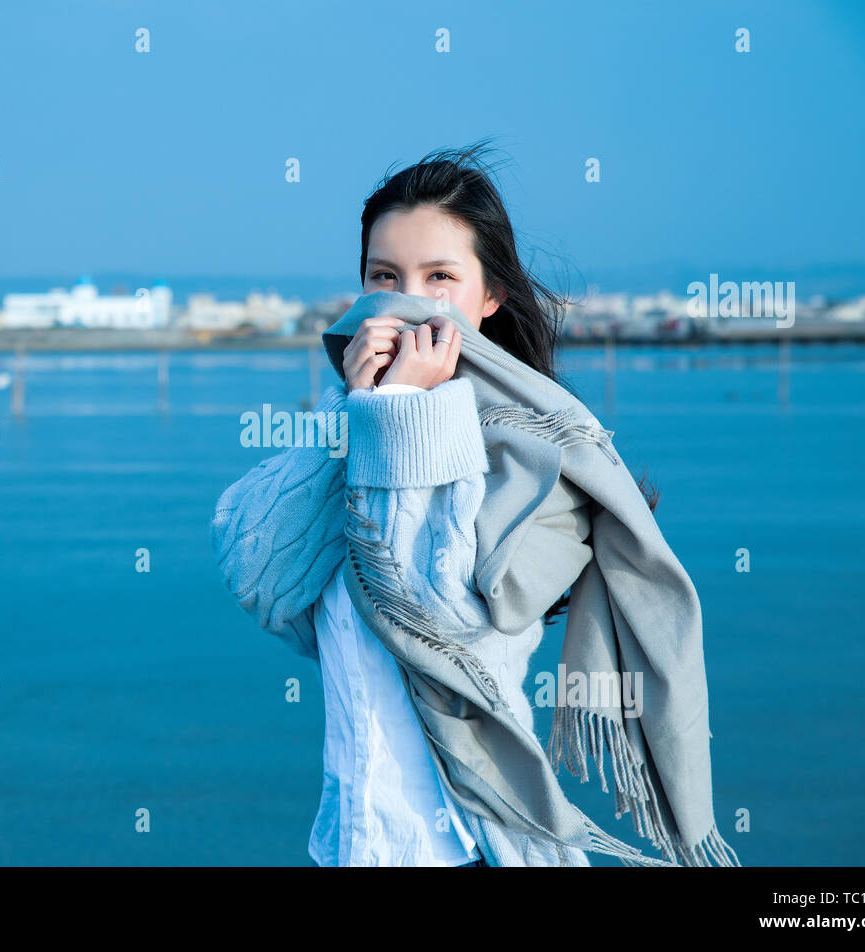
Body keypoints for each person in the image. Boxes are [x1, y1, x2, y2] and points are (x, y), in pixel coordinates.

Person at [210, 140, 661, 867]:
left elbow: (433, 620)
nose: (407, 300)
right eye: (384, 275)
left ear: (491, 298)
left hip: (471, 849)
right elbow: (253, 570)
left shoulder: (540, 464)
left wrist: (398, 417)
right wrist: (356, 409)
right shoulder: (357, 427)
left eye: (439, 277)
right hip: (348, 846)